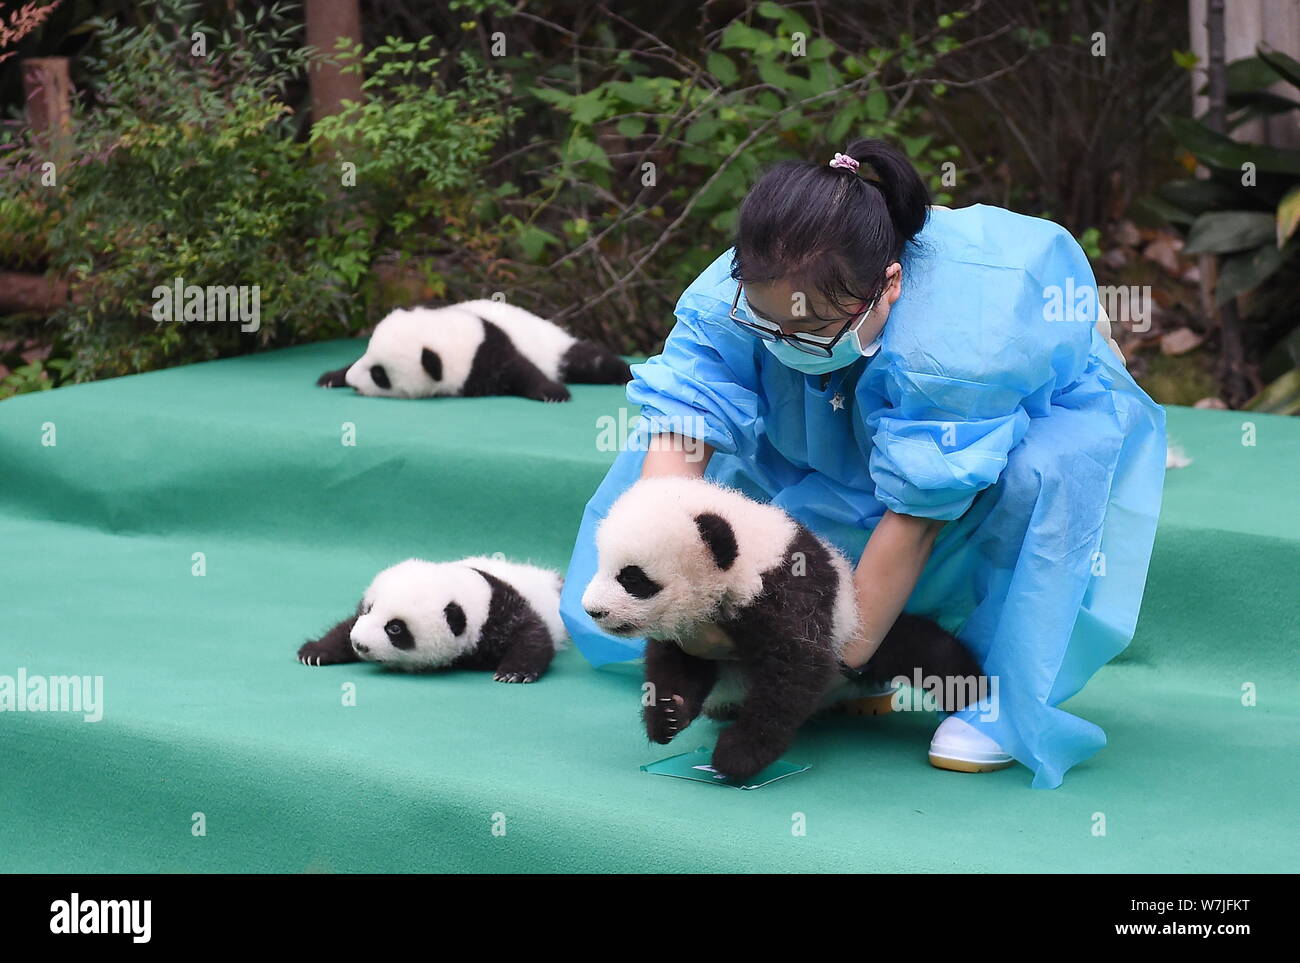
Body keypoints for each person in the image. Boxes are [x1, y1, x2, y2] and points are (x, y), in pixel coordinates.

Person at [560, 138, 1166, 789]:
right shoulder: (739, 286)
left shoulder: (960, 342)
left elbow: (916, 520)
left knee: (1034, 477)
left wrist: (816, 661)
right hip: (840, 386)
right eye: (769, 323)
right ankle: (863, 668)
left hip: (1011, 414)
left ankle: (999, 700)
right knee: (717, 468)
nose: (785, 340)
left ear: (890, 287)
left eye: (811, 325)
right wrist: (681, 600)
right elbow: (678, 449)